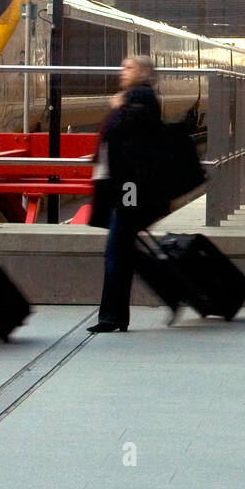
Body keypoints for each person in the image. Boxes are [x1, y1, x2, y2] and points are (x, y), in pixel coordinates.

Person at [87, 56, 165, 333]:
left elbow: (125, 130)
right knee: (121, 250)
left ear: (143, 72)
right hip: (127, 186)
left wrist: (117, 108)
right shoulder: (137, 97)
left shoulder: (141, 98)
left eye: (129, 67)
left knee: (117, 252)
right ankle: (114, 316)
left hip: (130, 188)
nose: (123, 71)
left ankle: (111, 318)